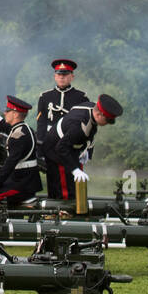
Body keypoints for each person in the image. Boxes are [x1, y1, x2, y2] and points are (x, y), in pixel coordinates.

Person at [39, 93, 124, 200]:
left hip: (70, 147)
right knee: (64, 191)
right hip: (56, 151)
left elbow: (91, 130)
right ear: (99, 115)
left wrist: (87, 150)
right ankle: (63, 213)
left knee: (74, 187)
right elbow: (61, 148)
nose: (107, 123)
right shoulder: (78, 126)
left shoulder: (92, 108)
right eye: (107, 120)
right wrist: (75, 170)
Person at [36, 59, 90, 198]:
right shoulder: (45, 96)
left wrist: (87, 149)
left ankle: (75, 208)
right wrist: (40, 148)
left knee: (73, 178)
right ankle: (54, 211)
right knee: (53, 179)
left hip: (72, 145)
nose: (61, 77)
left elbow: (88, 124)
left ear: (72, 76)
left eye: (65, 74)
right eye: (59, 74)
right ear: (55, 76)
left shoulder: (81, 97)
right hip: (50, 144)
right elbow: (41, 124)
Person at [0, 95, 42, 214]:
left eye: (8, 111)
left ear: (15, 114)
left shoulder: (18, 137)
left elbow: (10, 164)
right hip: (25, 179)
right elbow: (11, 130)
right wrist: (0, 122)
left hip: (21, 184)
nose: (5, 113)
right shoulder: (24, 129)